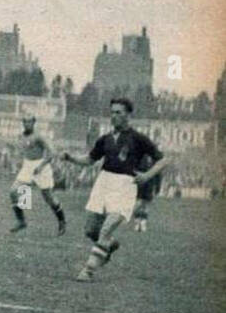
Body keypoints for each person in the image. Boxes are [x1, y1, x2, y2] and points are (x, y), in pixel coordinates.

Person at [59, 98, 169, 282]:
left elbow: (163, 160)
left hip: (124, 186)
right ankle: (108, 246)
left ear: (128, 114)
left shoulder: (138, 138)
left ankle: (88, 270)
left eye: (118, 112)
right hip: (104, 183)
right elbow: (89, 159)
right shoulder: (105, 139)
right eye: (112, 112)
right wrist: (70, 158)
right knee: (91, 230)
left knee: (106, 229)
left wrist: (147, 176)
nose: (114, 116)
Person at [8, 115, 66, 235]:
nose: (26, 124)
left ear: (34, 123)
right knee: (13, 191)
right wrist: (18, 161)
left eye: (29, 122)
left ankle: (62, 221)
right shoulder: (21, 136)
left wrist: (41, 166)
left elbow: (52, 152)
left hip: (41, 167)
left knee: (49, 198)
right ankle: (21, 221)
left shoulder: (39, 136)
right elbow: (23, 151)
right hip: (28, 166)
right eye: (25, 121)